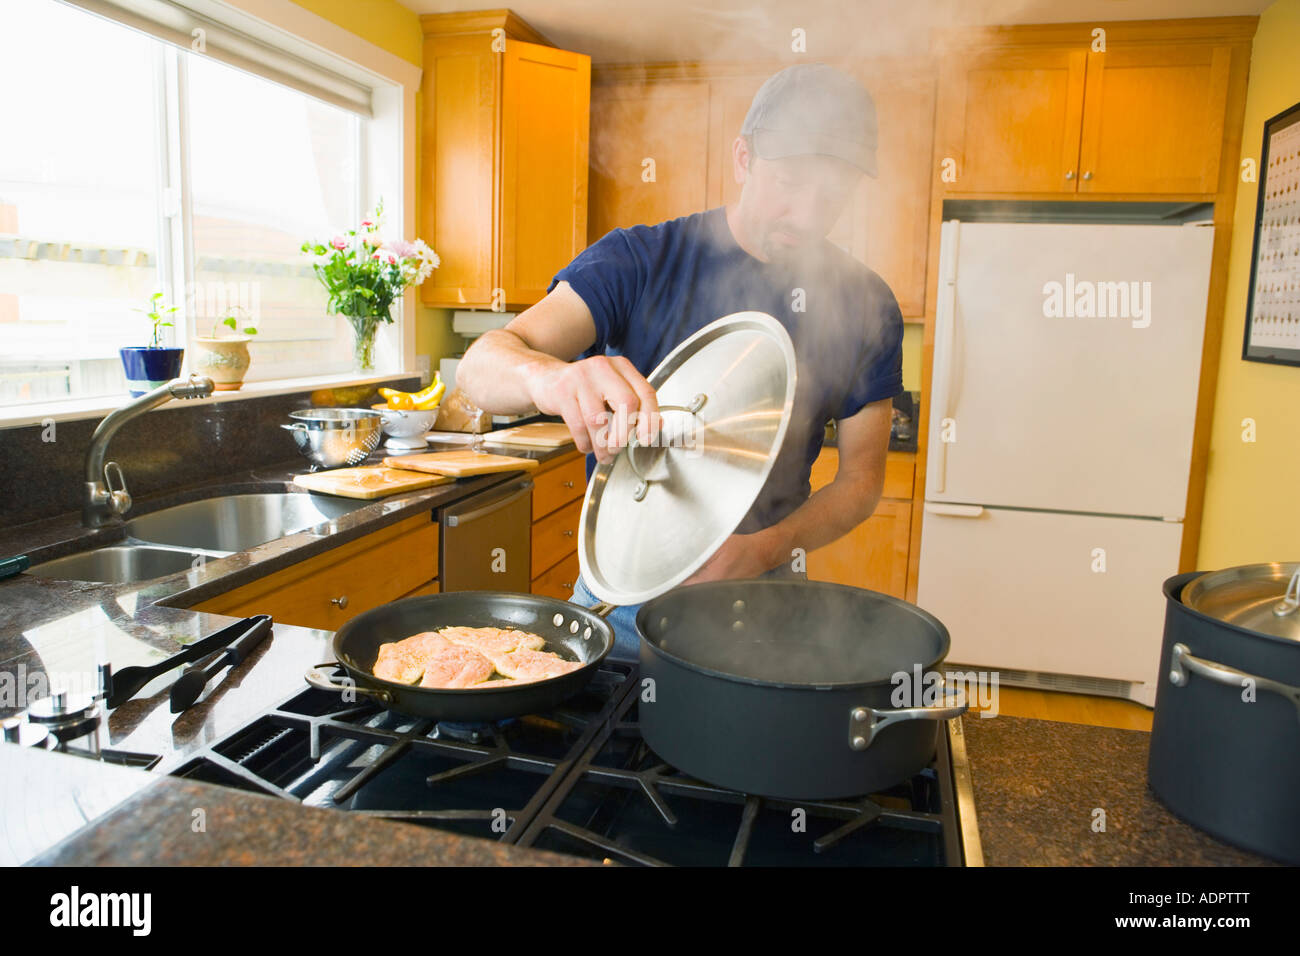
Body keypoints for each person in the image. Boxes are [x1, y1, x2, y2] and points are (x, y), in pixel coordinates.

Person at [456, 63, 904, 658]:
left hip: (765, 586)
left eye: (833, 192)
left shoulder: (865, 304)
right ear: (743, 159)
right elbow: (479, 366)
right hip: (620, 592)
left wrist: (765, 549)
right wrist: (554, 378)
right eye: (791, 181)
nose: (808, 215)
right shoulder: (639, 260)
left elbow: (861, 482)